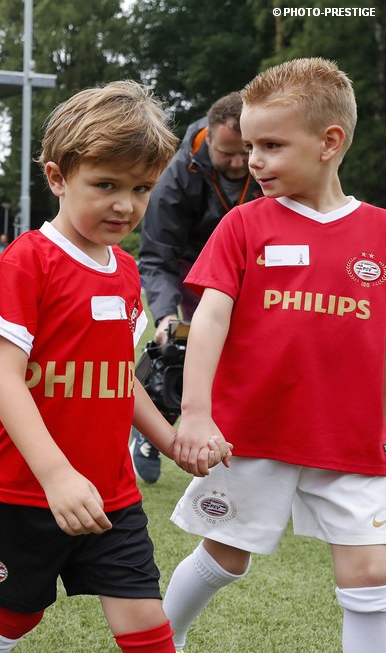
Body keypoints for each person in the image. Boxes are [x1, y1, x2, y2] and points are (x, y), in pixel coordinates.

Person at [0, 81, 229, 653]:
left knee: (147, 627)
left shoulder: (126, 271)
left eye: (141, 188)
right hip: (25, 491)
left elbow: (117, 379)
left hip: (112, 492)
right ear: (58, 177)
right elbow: (3, 377)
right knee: (16, 617)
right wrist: (56, 475)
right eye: (105, 185)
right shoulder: (30, 259)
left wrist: (171, 439)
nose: (125, 204)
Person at [163, 57, 386, 653]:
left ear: (329, 142)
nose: (253, 160)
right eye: (250, 144)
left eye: (271, 144)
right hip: (253, 435)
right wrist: (195, 412)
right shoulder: (243, 226)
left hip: (354, 441)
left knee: (371, 574)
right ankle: (162, 642)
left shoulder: (380, 232)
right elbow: (209, 319)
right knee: (224, 557)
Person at [131, 91, 263, 484]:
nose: (240, 163)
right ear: (209, 136)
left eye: (246, 152)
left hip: (250, 264)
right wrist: (168, 313)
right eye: (228, 154)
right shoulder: (175, 176)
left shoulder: (264, 163)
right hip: (192, 267)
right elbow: (156, 256)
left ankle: (254, 437)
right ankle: (153, 421)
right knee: (180, 341)